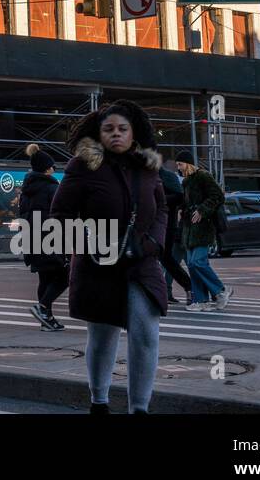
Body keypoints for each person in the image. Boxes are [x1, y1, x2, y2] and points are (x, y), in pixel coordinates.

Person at [50, 101, 167, 414]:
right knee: (103, 336)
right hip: (98, 266)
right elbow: (61, 213)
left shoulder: (148, 167)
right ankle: (99, 401)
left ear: (133, 133)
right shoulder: (82, 165)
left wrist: (153, 242)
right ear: (99, 134)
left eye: (122, 129)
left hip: (141, 262)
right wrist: (89, 242)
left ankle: (139, 408)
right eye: (109, 129)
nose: (116, 134)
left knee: (145, 334)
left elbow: (163, 209)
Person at [18, 144, 68, 331]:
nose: (54, 169)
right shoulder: (51, 188)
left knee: (45, 279)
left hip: (31, 239)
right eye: (52, 166)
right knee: (65, 276)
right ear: (47, 168)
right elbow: (59, 216)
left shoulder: (27, 190)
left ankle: (46, 320)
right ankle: (43, 307)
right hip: (50, 239)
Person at [176, 151, 231, 313]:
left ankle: (221, 290)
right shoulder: (186, 181)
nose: (178, 168)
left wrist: (202, 210)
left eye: (180, 164)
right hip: (190, 228)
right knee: (193, 265)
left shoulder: (203, 176)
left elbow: (218, 196)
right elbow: (187, 203)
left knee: (196, 262)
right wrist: (181, 210)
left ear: (188, 163)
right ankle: (201, 300)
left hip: (204, 227)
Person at [158, 162, 192, 304]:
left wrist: (158, 200)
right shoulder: (141, 175)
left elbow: (179, 196)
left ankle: (194, 287)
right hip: (150, 224)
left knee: (167, 259)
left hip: (167, 225)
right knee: (164, 259)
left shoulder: (167, 175)